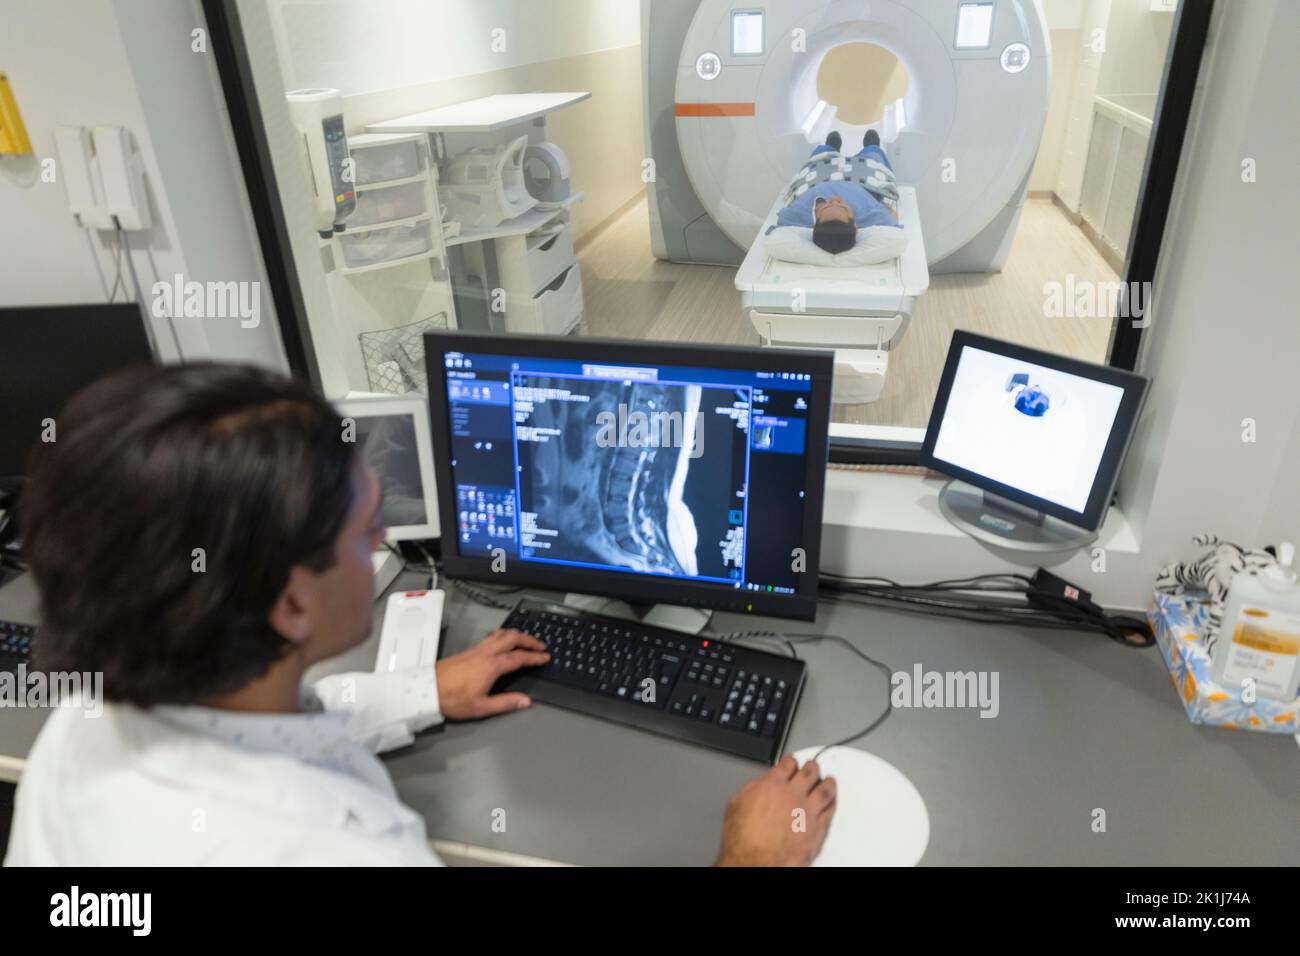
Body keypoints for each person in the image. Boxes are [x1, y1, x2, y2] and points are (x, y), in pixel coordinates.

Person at [4, 364, 836, 866]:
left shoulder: (86, 721)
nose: (386, 538)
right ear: (292, 601)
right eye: (363, 526)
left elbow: (252, 734)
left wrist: (420, 692)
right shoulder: (337, 849)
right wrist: (748, 860)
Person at [776, 129, 901, 255]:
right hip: (861, 178)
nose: (835, 199)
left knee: (820, 153)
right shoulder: (870, 214)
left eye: (826, 206)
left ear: (814, 223)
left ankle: (831, 147)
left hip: (821, 175)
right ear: (856, 227)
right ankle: (871, 145)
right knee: (874, 156)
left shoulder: (797, 214)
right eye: (842, 206)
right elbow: (893, 219)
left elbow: (782, 219)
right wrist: (883, 204)